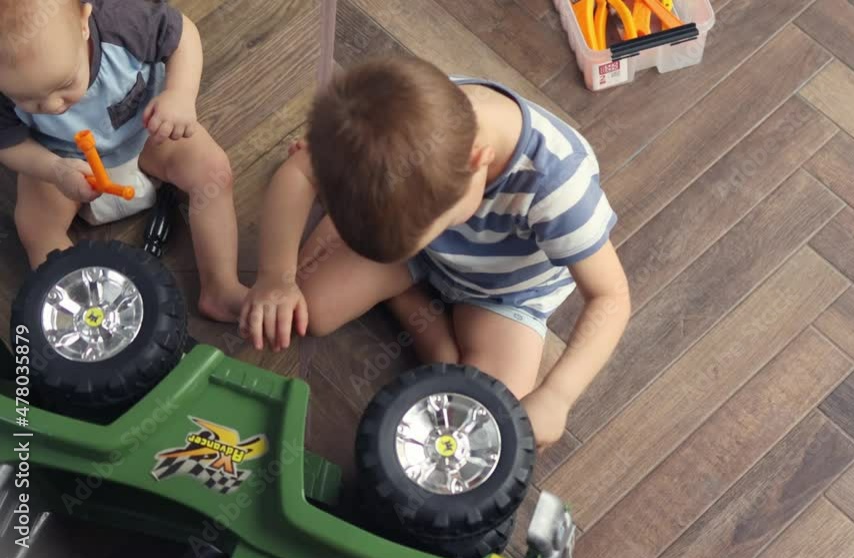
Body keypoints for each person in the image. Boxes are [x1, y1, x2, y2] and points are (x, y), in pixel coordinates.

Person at [242, 56, 631, 447]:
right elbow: (298, 171)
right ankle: (417, 309)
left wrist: (557, 396)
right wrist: (276, 277)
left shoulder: (559, 186)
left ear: (479, 161)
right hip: (420, 253)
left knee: (484, 425)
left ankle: (416, 309)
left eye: (439, 225)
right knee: (310, 311)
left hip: (504, 291)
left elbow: (610, 297)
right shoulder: (387, 119)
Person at [0, 0, 247, 322]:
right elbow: (9, 143)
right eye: (27, 99)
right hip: (62, 157)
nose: (53, 105)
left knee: (212, 172)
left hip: (147, 132)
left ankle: (221, 287)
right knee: (35, 227)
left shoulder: (122, 21)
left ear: (84, 24)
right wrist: (55, 169)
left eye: (64, 84)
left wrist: (180, 95)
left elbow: (182, 34)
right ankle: (84, 311)